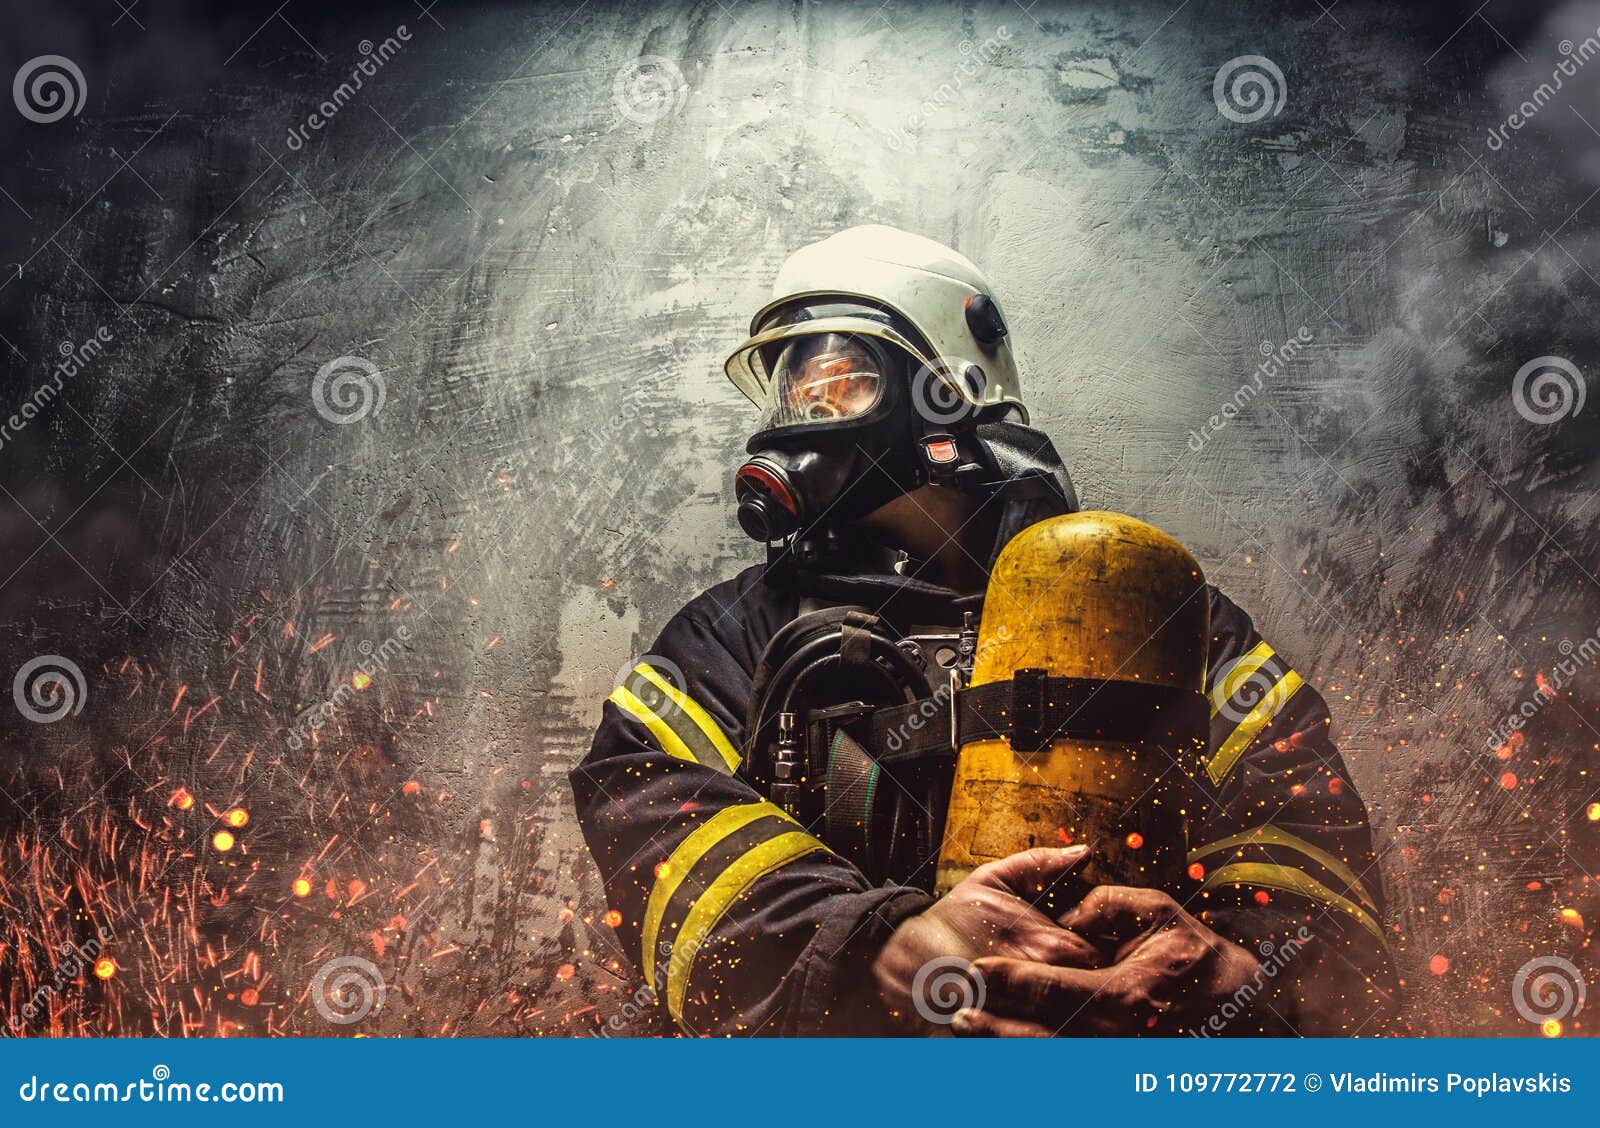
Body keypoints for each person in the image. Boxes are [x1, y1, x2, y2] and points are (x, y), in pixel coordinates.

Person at [570, 225, 1397, 1036]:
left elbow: (1300, 815)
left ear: (951, 390)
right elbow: (648, 809)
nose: (803, 415)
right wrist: (879, 950)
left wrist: (1248, 979)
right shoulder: (730, 639)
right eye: (793, 387)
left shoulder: (1158, 614)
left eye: (840, 383)